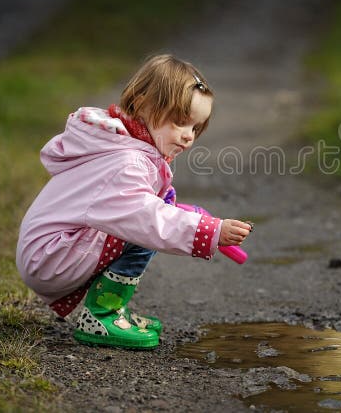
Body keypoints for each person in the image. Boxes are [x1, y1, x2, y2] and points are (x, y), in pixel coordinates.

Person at [17, 54, 251, 349]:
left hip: (54, 250)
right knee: (143, 232)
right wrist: (206, 231)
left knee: (144, 221)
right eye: (180, 122)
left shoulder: (123, 146)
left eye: (196, 128)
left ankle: (112, 310)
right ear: (143, 106)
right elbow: (144, 217)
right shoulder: (127, 162)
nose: (189, 136)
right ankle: (102, 315)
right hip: (53, 257)